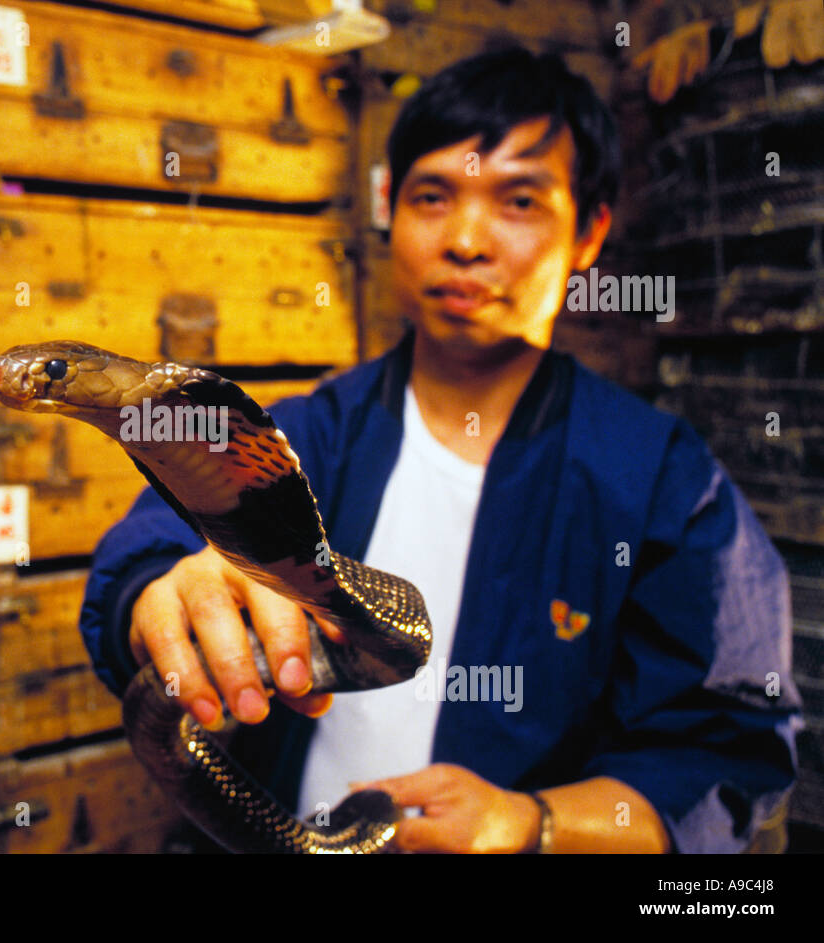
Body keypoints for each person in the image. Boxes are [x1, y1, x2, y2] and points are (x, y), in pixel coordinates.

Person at [78, 47, 803, 853]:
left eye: (518, 200)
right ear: (393, 211)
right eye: (433, 196)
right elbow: (144, 561)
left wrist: (532, 824)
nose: (465, 240)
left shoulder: (664, 482)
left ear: (590, 230)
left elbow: (726, 750)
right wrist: (159, 599)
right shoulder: (311, 432)